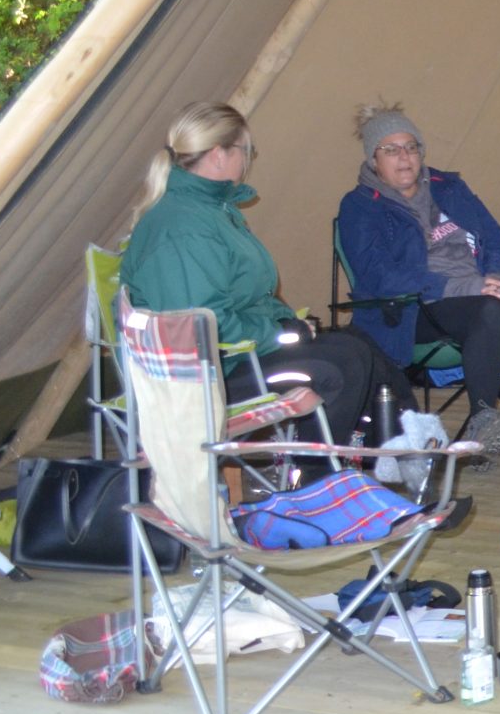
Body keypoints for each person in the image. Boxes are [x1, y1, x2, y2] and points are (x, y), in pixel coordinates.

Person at [121, 101, 412, 460]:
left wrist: (288, 323)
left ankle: (404, 448)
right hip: (205, 378)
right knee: (337, 367)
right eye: (247, 151)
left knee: (355, 343)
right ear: (218, 155)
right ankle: (314, 484)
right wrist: (278, 333)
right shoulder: (183, 229)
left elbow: (251, 294)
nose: (247, 161)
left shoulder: (215, 213)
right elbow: (202, 327)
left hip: (234, 356)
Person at [336, 105, 500, 452]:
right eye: (391, 149)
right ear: (372, 159)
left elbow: (495, 239)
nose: (405, 157)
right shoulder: (360, 206)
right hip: (413, 306)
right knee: (485, 310)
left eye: (412, 147)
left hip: (478, 292)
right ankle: (483, 422)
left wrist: (499, 276)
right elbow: (379, 275)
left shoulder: (449, 187)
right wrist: (465, 287)